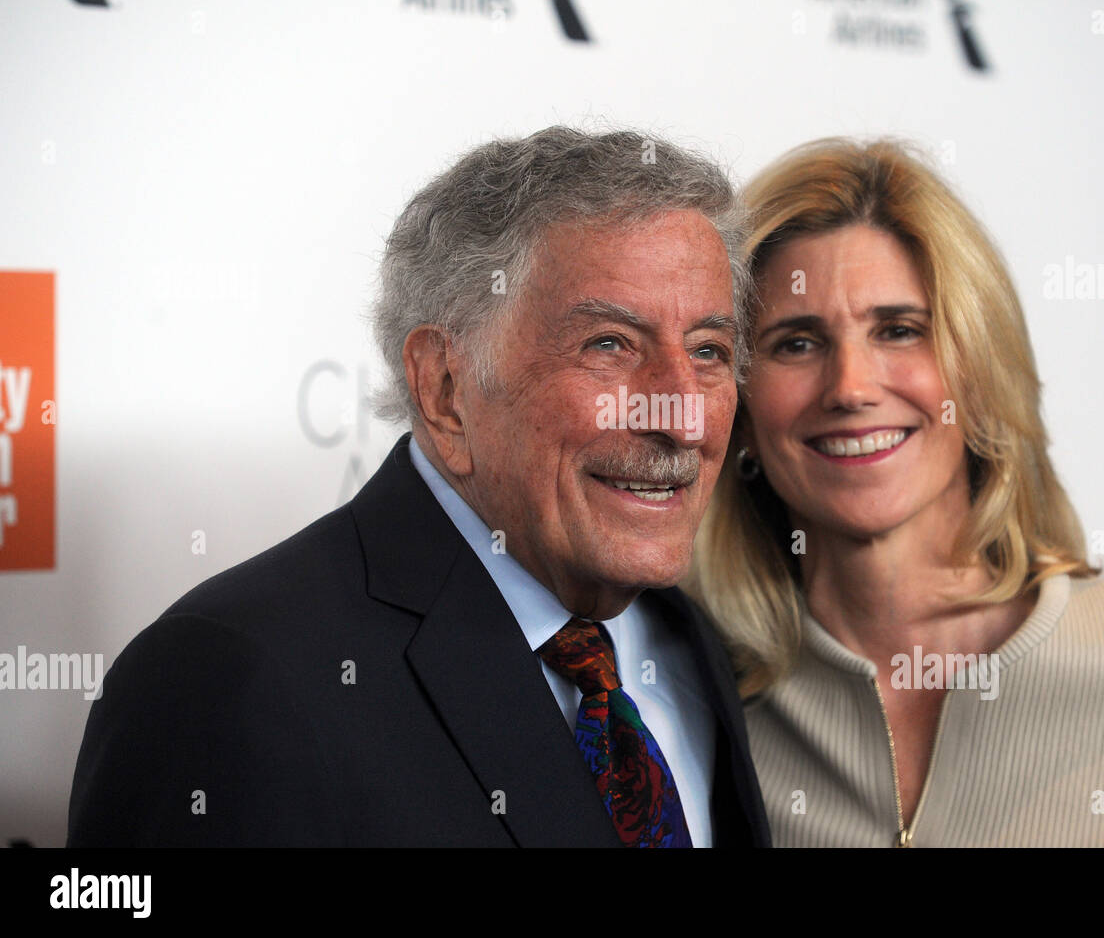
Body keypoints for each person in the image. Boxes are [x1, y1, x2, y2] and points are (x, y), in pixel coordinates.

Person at [67, 126, 771, 847]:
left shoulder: (691, 646)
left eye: (709, 351)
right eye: (610, 345)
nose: (682, 414)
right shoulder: (225, 683)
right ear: (444, 386)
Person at [684, 137, 1104, 847]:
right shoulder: (691, 706)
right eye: (796, 342)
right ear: (739, 409)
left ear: (980, 373)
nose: (851, 386)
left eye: (900, 330)